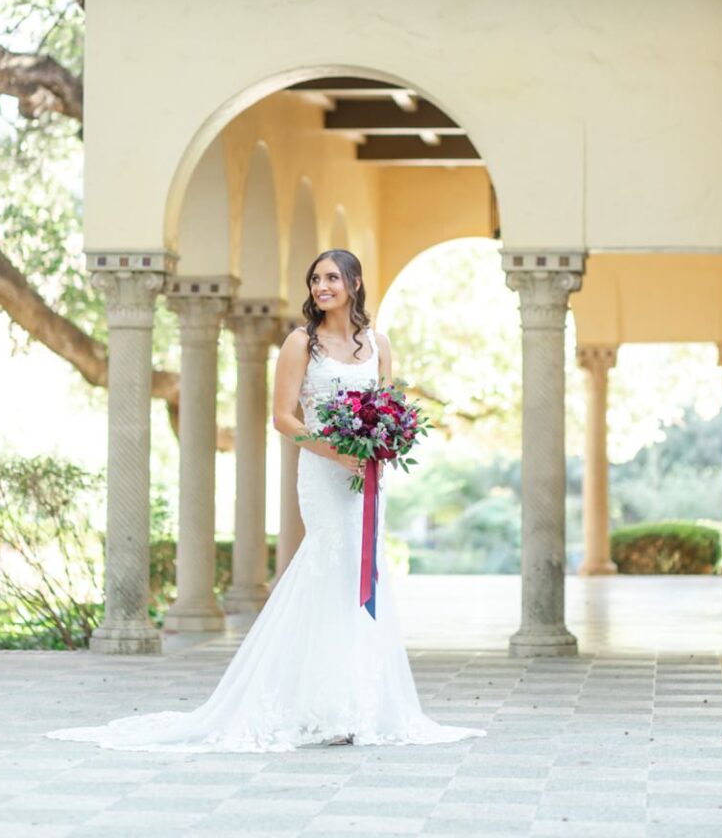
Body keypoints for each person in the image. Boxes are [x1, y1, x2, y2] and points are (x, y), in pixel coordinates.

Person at [50, 249, 485, 752]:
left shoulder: (378, 345)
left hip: (365, 479)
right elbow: (284, 418)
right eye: (315, 278)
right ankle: (317, 704)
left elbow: (384, 410)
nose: (322, 286)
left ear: (355, 283)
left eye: (331, 278)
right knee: (328, 566)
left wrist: (379, 447)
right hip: (323, 473)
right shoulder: (302, 343)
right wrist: (335, 450)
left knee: (364, 573)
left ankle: (362, 703)